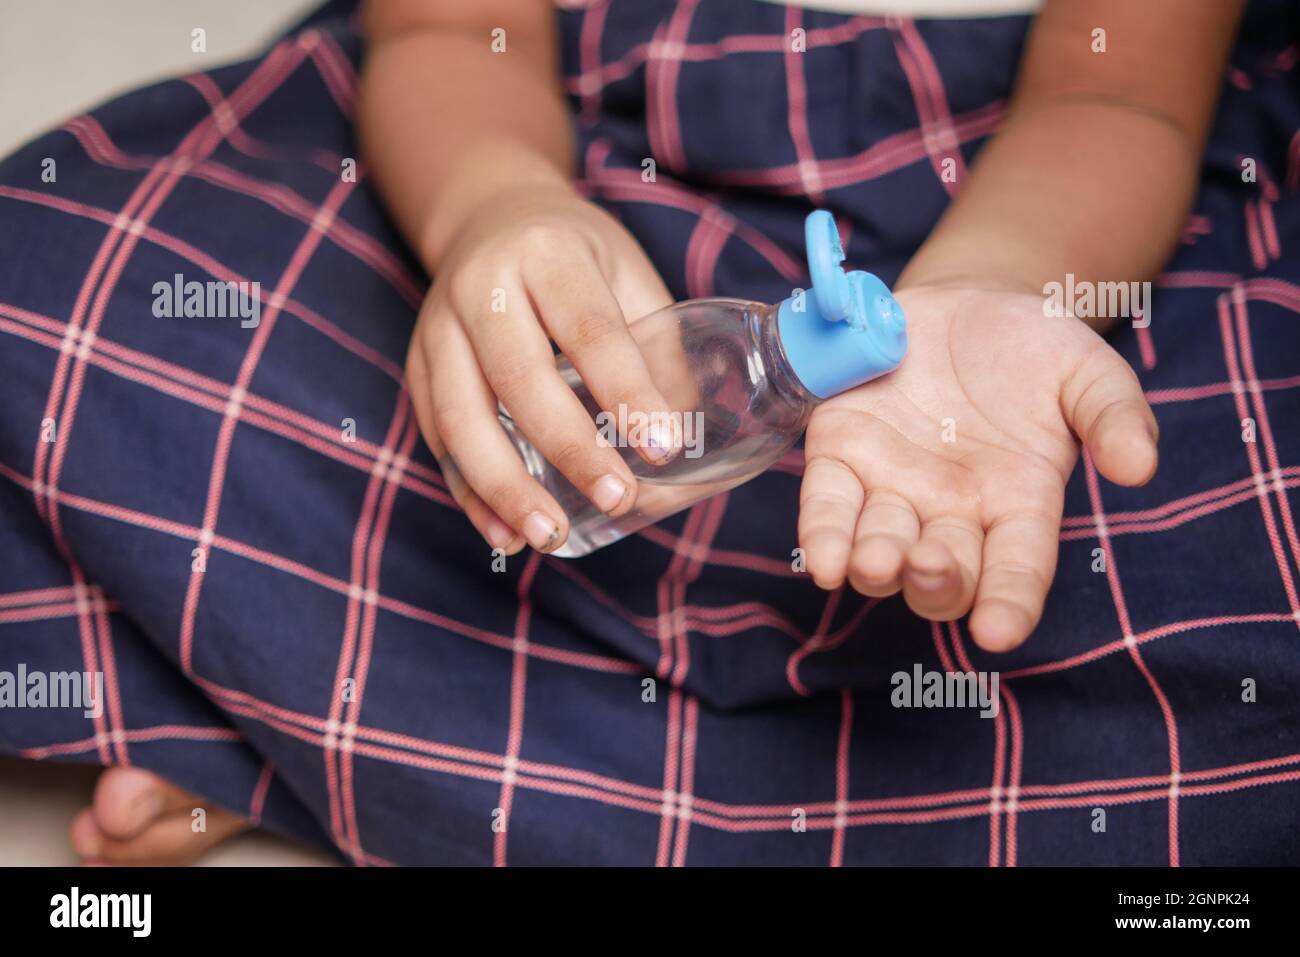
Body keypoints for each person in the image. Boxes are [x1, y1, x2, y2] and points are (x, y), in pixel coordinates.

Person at [3, 0, 1296, 866]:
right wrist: (489, 212)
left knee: (1241, 610)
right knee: (45, 290)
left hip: (1043, 227)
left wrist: (999, 287)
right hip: (561, 145)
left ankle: (270, 709)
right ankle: (301, 702)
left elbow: (1119, 105)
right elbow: (458, 30)